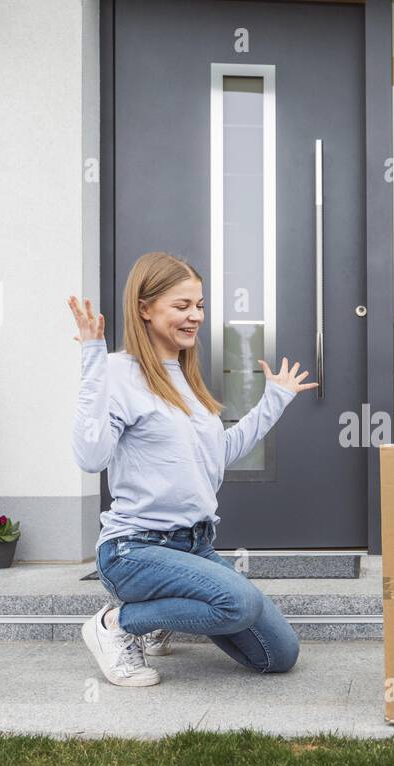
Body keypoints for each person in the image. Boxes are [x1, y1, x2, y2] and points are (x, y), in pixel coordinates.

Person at [69, 252, 317, 687]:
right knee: (237, 602)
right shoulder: (117, 372)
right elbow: (91, 457)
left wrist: (273, 400)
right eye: (181, 306)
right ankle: (118, 624)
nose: (195, 316)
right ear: (145, 309)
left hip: (193, 546)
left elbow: (217, 455)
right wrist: (93, 357)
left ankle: (165, 609)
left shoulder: (186, 378)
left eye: (199, 306)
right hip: (135, 549)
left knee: (278, 655)